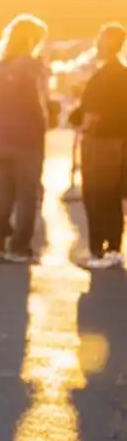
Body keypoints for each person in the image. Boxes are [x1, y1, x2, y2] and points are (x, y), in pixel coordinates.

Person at [0, 14, 51, 263]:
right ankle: (20, 246)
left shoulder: (1, 67)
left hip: (3, 137)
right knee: (28, 195)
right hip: (28, 138)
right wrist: (44, 123)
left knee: (5, 193)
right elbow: (37, 102)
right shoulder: (32, 67)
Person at [77, 22, 127, 269]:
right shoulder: (121, 73)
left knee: (96, 195)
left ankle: (98, 250)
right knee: (112, 196)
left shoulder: (105, 76)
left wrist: (83, 128)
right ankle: (114, 247)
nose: (97, 44)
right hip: (118, 141)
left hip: (101, 142)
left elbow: (91, 113)